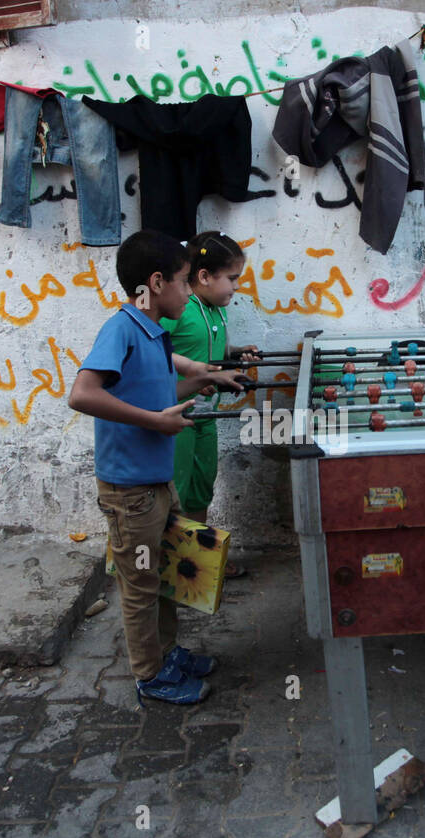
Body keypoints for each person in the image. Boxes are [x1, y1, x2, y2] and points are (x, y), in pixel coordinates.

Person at [67, 230, 248, 705]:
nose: (189, 293)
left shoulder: (150, 331)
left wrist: (207, 375)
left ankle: (167, 652)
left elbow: (162, 377)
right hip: (129, 491)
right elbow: (82, 394)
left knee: (164, 572)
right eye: (185, 283)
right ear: (155, 282)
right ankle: (150, 675)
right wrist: (154, 421)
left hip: (155, 482)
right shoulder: (121, 328)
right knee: (140, 585)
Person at [160, 231, 259, 578]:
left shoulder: (215, 311)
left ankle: (198, 562)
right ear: (203, 276)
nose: (235, 287)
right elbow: (153, 345)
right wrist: (190, 373)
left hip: (206, 414)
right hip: (175, 415)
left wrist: (233, 354)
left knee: (202, 487)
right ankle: (170, 567)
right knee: (178, 488)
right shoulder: (182, 308)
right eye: (231, 278)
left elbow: (206, 350)